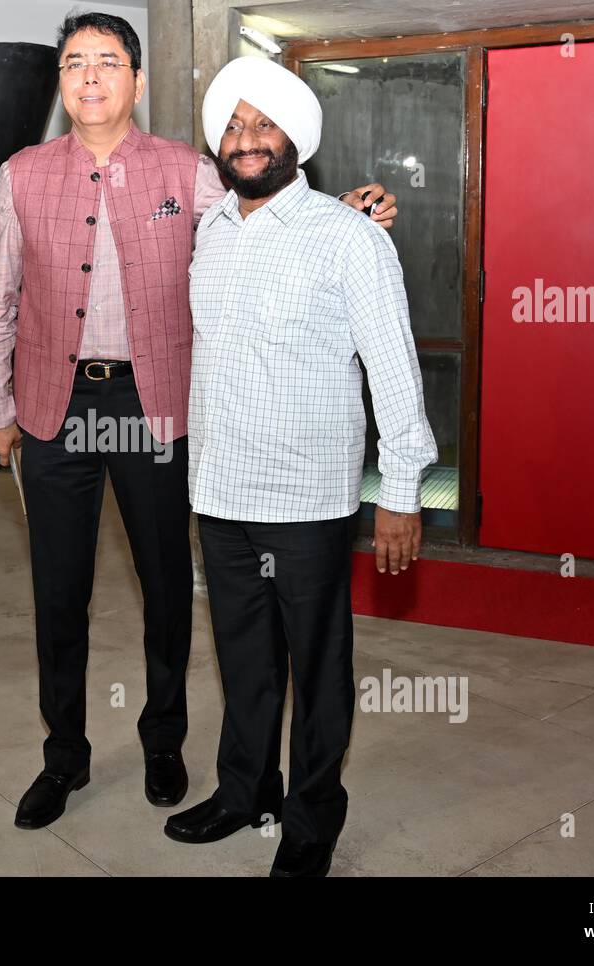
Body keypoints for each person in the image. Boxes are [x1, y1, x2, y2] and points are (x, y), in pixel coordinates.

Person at [0, 11, 399, 831]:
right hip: (53, 411)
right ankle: (63, 755)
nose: (90, 77)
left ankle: (163, 739)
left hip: (155, 407)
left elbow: (268, 208)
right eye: (73, 64)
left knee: (167, 589)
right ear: (60, 83)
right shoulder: (22, 173)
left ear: (137, 79)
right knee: (57, 595)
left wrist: (351, 208)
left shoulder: (188, 171)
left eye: (107, 62)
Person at [163, 56, 437, 877]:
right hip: (219, 489)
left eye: (263, 124)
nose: (247, 140)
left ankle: (313, 820)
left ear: (296, 138)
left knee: (318, 667)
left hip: (309, 498)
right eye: (233, 126)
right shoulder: (209, 229)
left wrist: (401, 492)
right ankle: (244, 789)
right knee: (243, 657)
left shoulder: (348, 237)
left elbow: (393, 369)